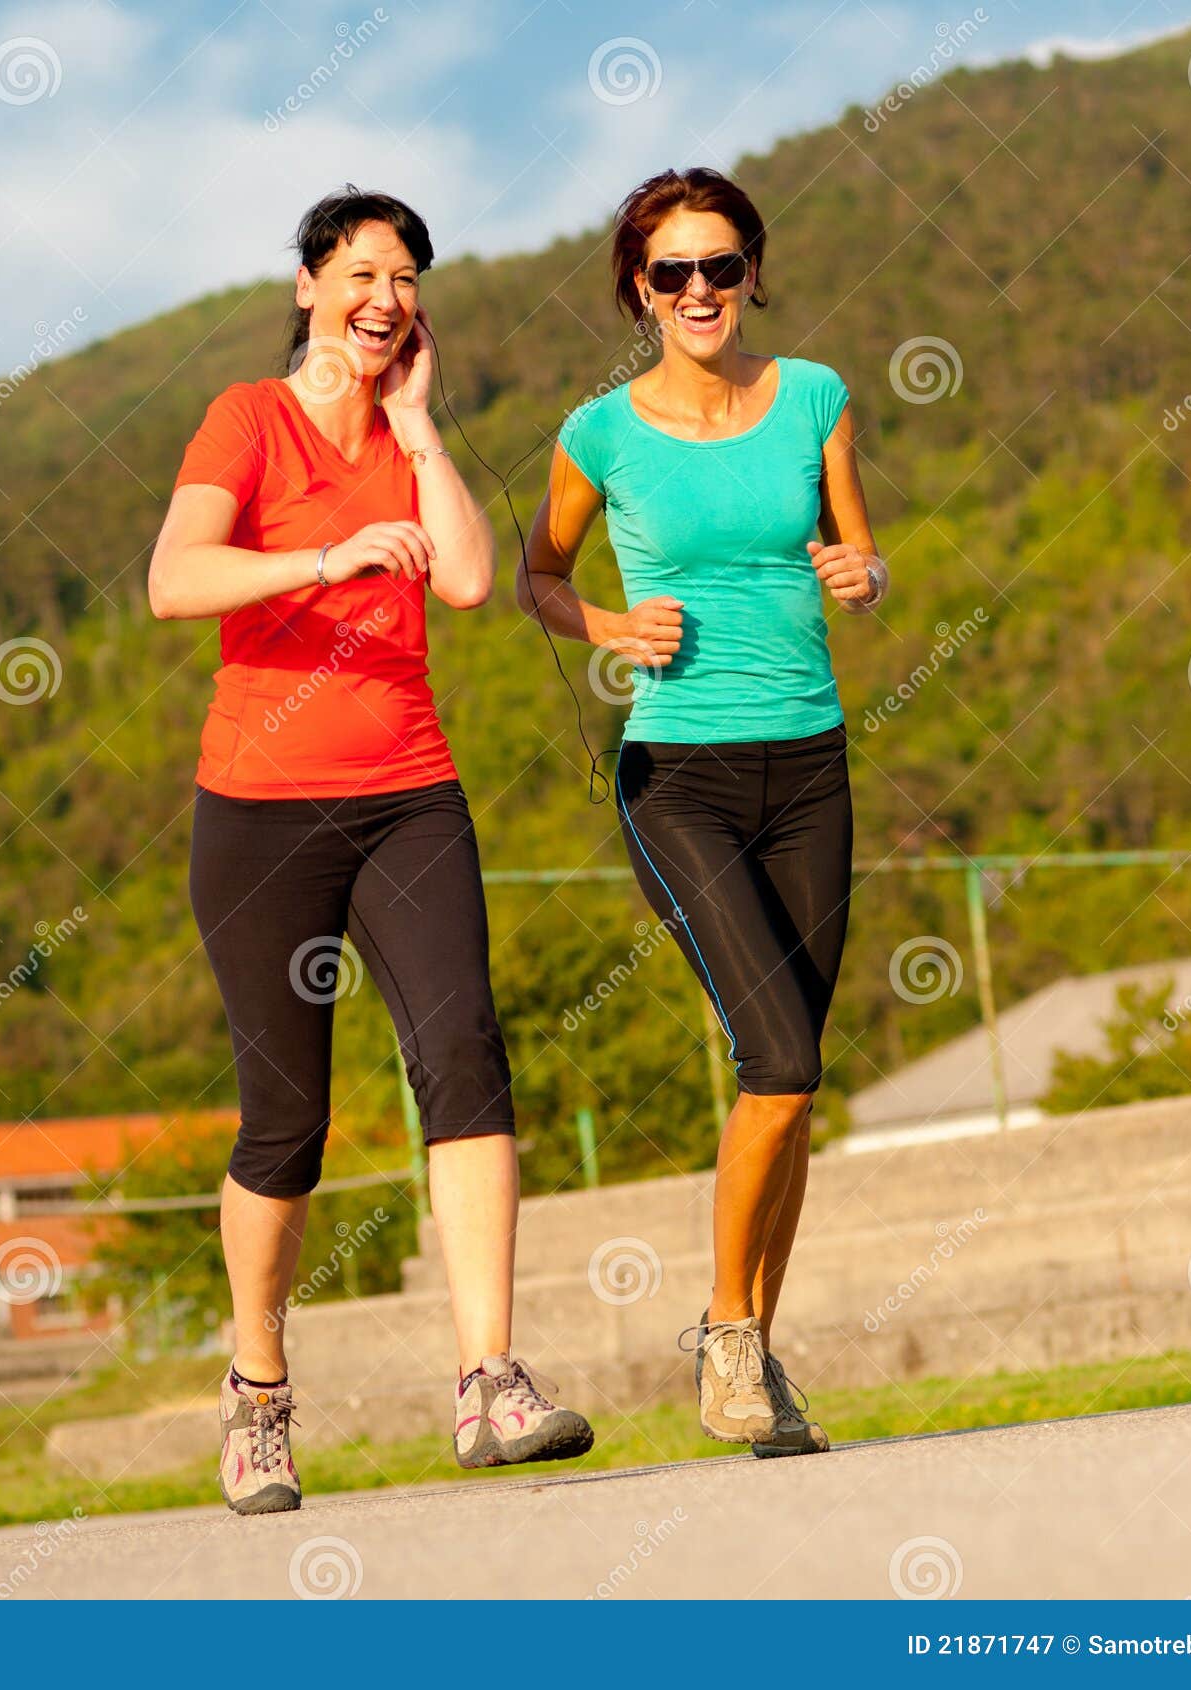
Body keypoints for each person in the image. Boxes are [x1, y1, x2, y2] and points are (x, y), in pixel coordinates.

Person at [149, 187, 593, 1515]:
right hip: (260, 807)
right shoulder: (250, 417)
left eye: (403, 275)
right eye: (358, 270)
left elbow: (465, 580)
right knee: (289, 1119)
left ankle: (488, 1379)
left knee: (463, 1050)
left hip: (409, 792)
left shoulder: (410, 441)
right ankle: (261, 1389)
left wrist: (417, 429)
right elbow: (176, 578)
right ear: (307, 286)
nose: (383, 295)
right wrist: (328, 554)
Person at [518, 167, 889, 1458]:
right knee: (780, 1060)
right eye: (670, 271)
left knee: (792, 1084)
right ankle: (730, 1337)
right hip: (678, 776)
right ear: (637, 287)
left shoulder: (819, 399)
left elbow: (859, 558)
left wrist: (864, 572)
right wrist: (612, 627)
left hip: (814, 768)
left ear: (750, 273)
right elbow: (539, 577)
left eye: (718, 266)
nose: (697, 291)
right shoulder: (599, 434)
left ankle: (751, 1350)